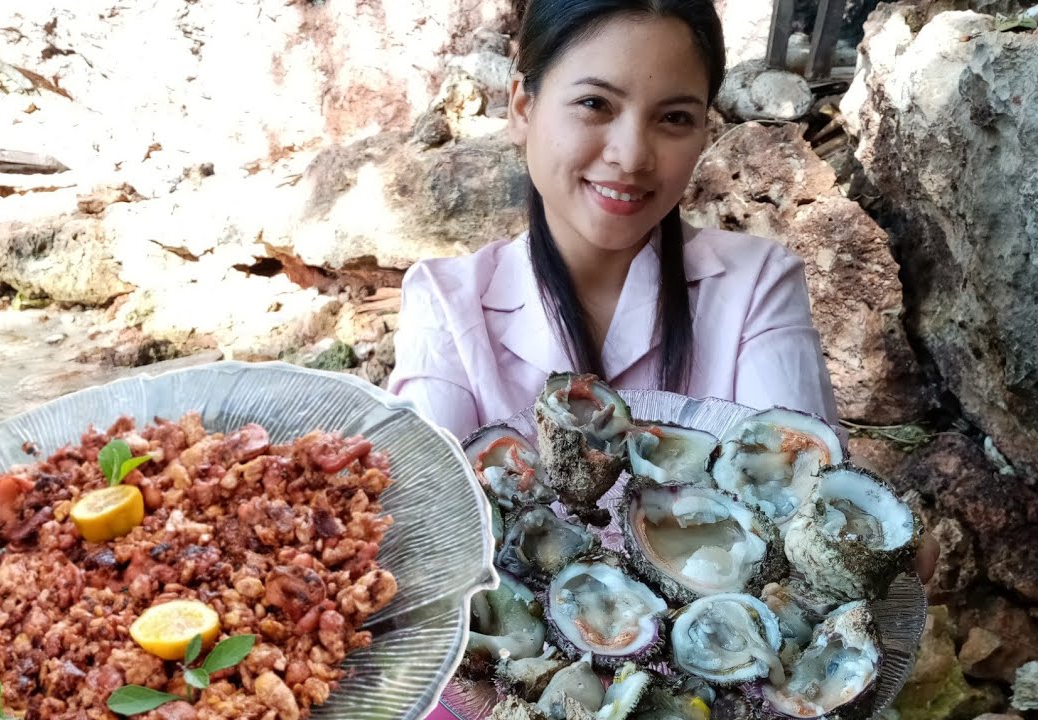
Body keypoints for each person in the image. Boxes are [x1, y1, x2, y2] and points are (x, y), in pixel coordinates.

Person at [391, 2, 938, 712]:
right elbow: (417, 537)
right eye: (594, 104)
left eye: (674, 118)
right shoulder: (445, 300)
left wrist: (876, 562)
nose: (632, 154)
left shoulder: (755, 284)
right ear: (523, 106)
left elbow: (804, 497)